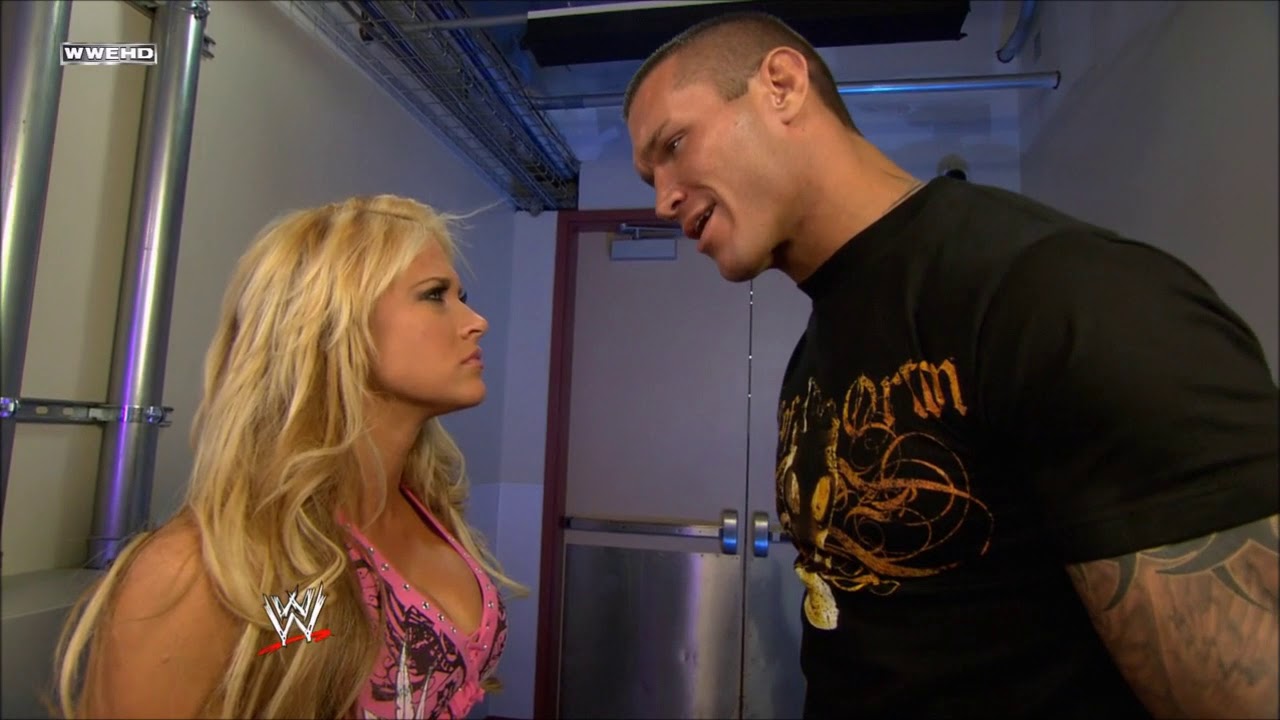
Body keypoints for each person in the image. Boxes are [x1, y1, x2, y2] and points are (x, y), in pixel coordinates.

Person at [623, 11, 1278, 719]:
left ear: (781, 86)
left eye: (675, 144)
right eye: (649, 175)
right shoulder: (813, 356)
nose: (662, 199)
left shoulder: (1056, 292)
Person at [52, 195, 521, 719]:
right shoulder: (213, 571)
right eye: (435, 294)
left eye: (461, 296)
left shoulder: (423, 505)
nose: (476, 321)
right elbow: (294, 640)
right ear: (332, 323)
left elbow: (305, 637)